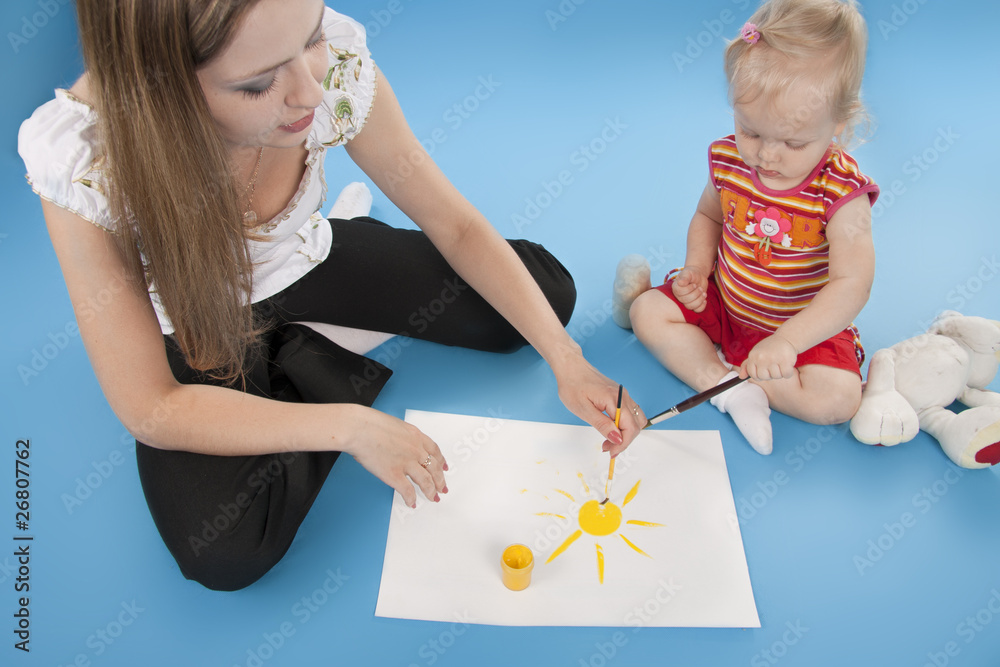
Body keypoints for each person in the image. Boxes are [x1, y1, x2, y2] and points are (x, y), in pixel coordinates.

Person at [18, 0, 646, 591]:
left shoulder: (323, 62)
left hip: (302, 262)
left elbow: (453, 223)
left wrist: (568, 360)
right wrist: (350, 428)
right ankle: (307, 354)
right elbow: (148, 407)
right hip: (197, 328)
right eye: (258, 84)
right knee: (228, 548)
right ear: (166, 90)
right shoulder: (85, 159)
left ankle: (300, 344)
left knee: (542, 296)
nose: (311, 91)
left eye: (312, 36)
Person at [616, 0, 878, 455]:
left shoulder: (840, 192)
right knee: (647, 314)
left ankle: (729, 370)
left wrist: (789, 341)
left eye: (793, 142)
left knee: (838, 400)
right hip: (729, 303)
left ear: (840, 122)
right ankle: (730, 388)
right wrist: (696, 268)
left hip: (801, 329)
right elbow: (708, 216)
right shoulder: (730, 159)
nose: (766, 155)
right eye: (750, 130)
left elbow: (852, 284)